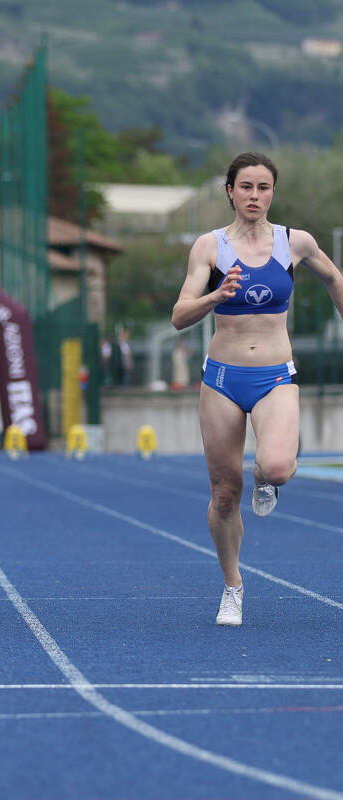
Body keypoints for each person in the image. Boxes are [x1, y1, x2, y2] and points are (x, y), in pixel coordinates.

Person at [172, 151, 343, 626]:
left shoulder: (296, 242)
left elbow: (334, 279)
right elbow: (179, 315)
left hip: (274, 376)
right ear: (230, 191)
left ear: (272, 193)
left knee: (278, 467)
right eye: (245, 186)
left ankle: (267, 479)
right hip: (223, 379)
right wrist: (214, 295)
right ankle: (233, 588)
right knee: (224, 493)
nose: (254, 195)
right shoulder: (209, 247)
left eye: (263, 187)